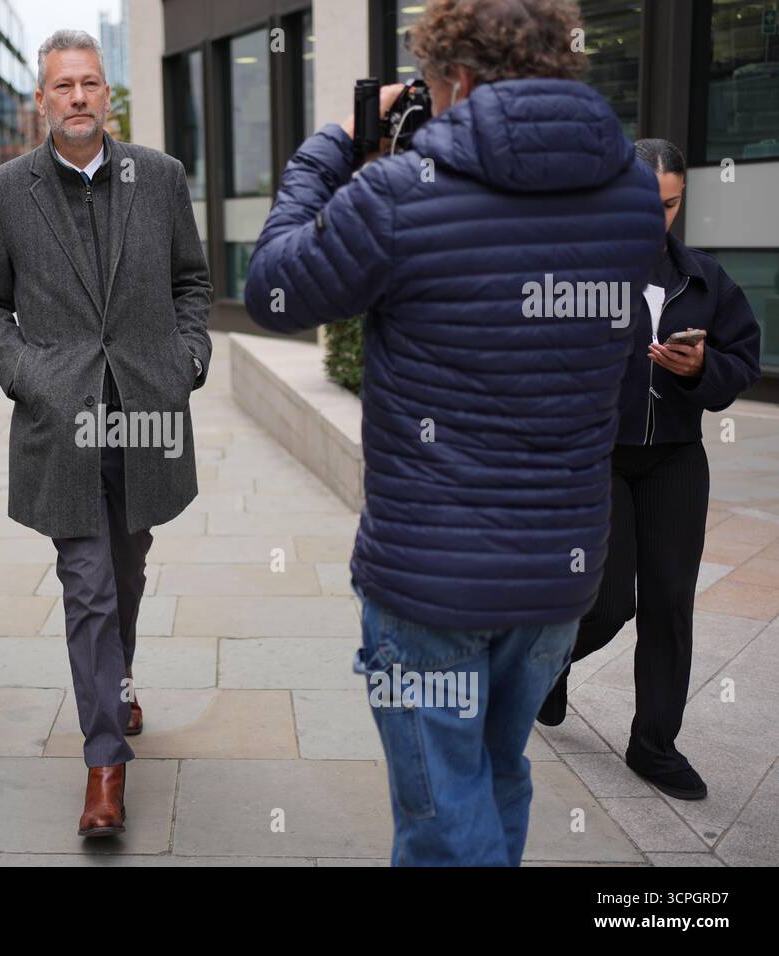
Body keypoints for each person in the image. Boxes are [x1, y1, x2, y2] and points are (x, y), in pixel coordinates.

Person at [243, 0, 667, 865]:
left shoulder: (399, 194)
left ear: (461, 80)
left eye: (435, 88)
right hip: (561, 566)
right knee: (499, 770)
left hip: (431, 576)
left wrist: (331, 148)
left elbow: (274, 291)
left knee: (441, 811)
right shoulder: (630, 188)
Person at [0, 29, 212, 837]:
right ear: (42, 101)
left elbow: (191, 280)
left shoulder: (162, 178)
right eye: (63, 86)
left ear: (109, 96)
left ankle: (121, 677)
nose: (78, 97)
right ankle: (104, 763)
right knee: (90, 587)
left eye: (91, 84)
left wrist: (187, 358)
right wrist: (30, 378)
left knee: (129, 571)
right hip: (60, 425)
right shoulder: (3, 192)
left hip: (144, 416)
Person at [536, 139, 761, 801]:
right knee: (606, 606)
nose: (655, 219)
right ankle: (546, 670)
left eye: (669, 205)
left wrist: (702, 370)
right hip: (597, 457)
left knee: (668, 603)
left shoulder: (705, 280)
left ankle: (654, 745)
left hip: (675, 460)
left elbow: (742, 361)